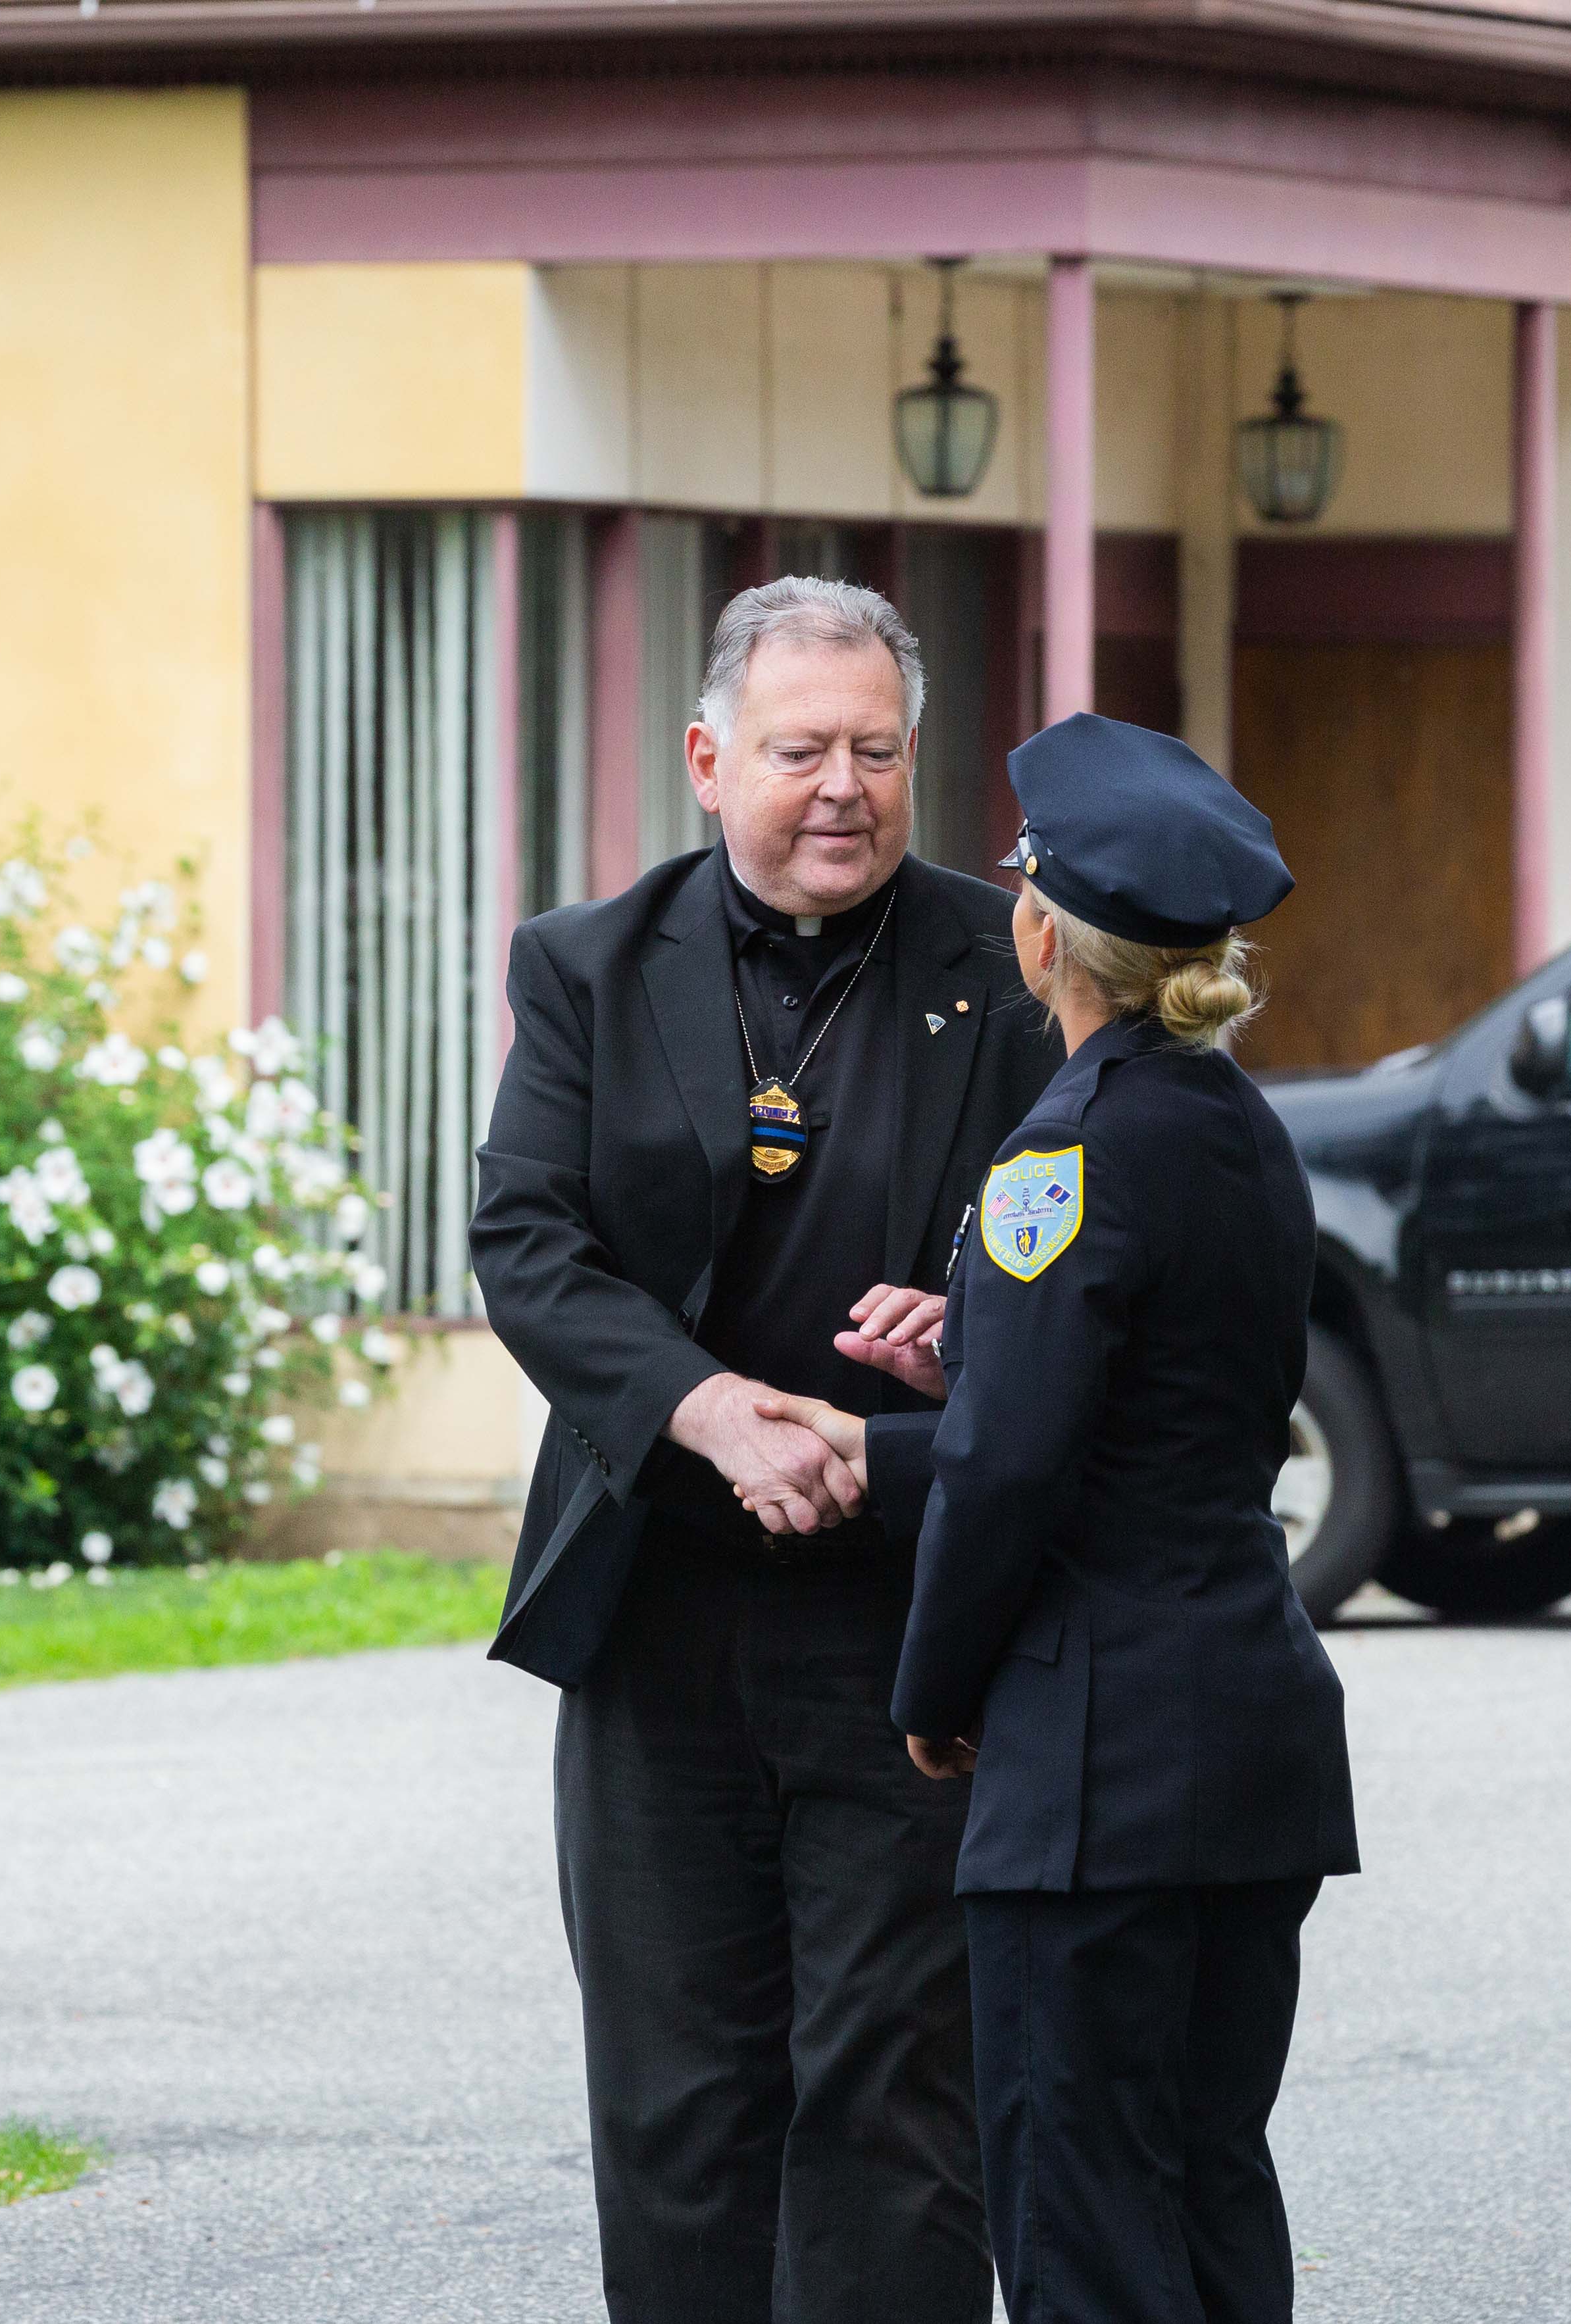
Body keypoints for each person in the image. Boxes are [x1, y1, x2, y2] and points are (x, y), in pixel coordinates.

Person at [470, 576, 1062, 2323]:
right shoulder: (584, 960)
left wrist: (966, 1313)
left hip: (903, 1612)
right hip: (659, 1606)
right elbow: (527, 1241)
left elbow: (1078, 1221)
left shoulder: (1005, 958)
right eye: (800, 748)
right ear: (705, 756)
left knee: (894, 2092)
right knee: (675, 2093)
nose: (842, 787)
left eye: (876, 750)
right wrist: (704, 1406)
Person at [765, 712, 1359, 2324]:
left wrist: (933, 1698)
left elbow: (1016, 1474)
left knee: (1083, 2216)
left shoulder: (1068, 1150)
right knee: (1208, 2185)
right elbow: (1156, 1407)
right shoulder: (1240, 1128)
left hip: (1099, 1763)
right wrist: (972, 1354)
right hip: (1248, 1736)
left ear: (1040, 930)